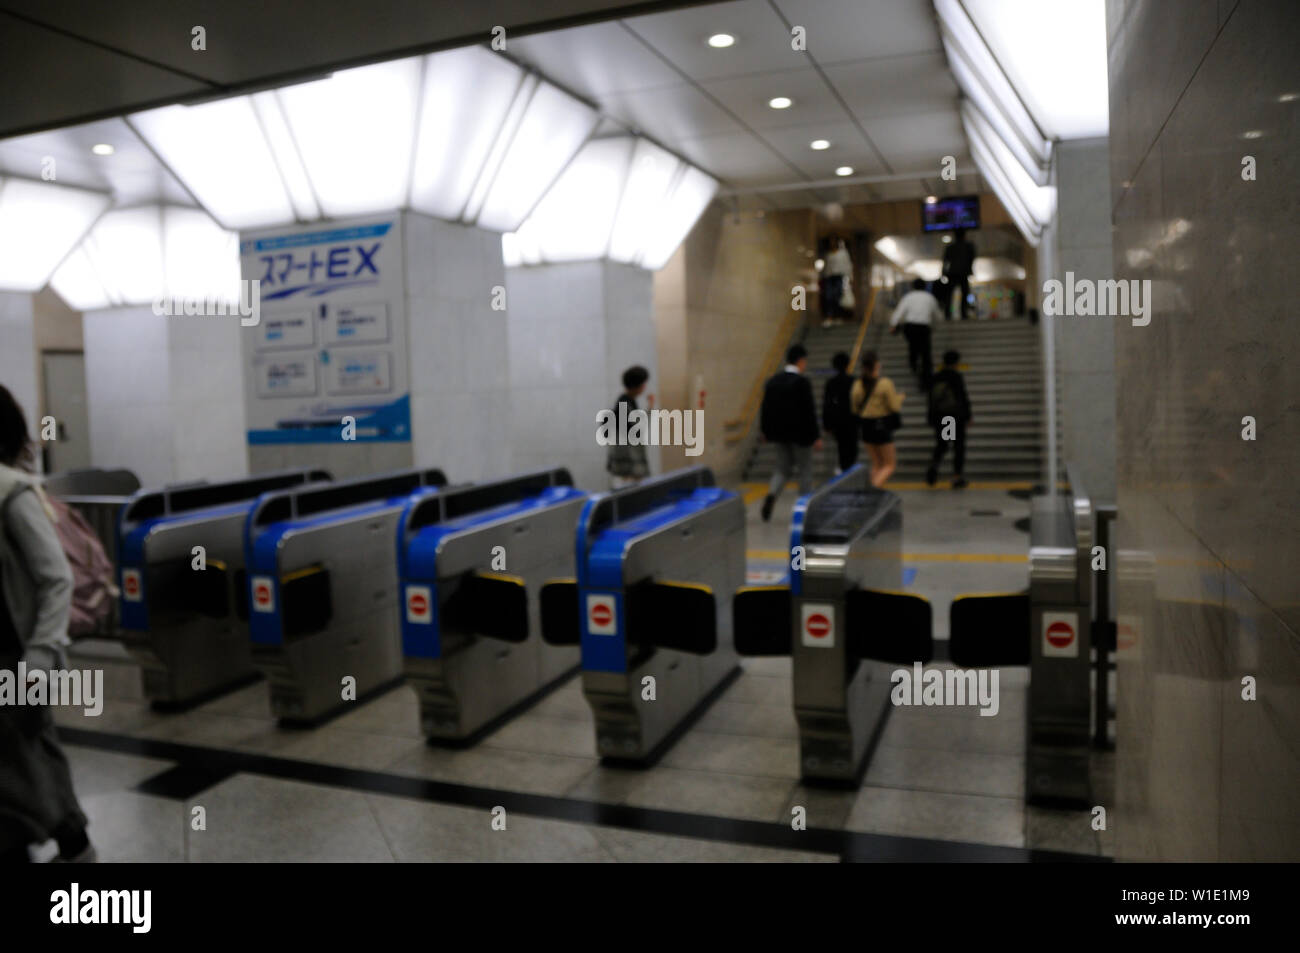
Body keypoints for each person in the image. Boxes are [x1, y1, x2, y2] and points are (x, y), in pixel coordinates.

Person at [0, 384, 94, 863]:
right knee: (26, 758)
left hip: (19, 654)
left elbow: (56, 577)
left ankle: (69, 845)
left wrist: (40, 657)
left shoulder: (11, 491)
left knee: (27, 756)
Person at [759, 345, 821, 521]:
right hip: (801, 435)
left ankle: (771, 495)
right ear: (800, 361)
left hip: (779, 434)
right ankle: (803, 509)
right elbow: (809, 411)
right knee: (805, 471)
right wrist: (815, 435)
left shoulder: (772, 381)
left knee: (781, 469)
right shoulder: (802, 382)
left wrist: (765, 431)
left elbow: (765, 408)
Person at [850, 350, 905, 488]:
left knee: (876, 464)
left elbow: (854, 409)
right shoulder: (885, 383)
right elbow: (894, 407)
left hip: (865, 426)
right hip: (881, 426)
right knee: (889, 465)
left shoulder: (857, 385)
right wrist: (900, 398)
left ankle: (871, 490)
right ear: (877, 365)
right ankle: (871, 492)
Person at [926, 350, 973, 489]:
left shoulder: (936, 377)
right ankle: (957, 477)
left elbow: (930, 399)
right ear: (955, 363)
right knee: (958, 446)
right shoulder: (955, 376)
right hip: (953, 418)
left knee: (943, 444)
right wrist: (968, 416)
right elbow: (961, 397)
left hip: (940, 417)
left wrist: (931, 417)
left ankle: (933, 467)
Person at [889, 276, 941, 389]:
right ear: (925, 286)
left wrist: (893, 324)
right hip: (924, 328)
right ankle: (925, 380)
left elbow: (899, 312)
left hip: (910, 328)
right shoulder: (930, 298)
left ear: (913, 287)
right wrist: (934, 327)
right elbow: (937, 316)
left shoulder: (908, 297)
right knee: (926, 354)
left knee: (913, 347)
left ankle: (913, 364)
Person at [606, 366, 651, 489]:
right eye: (643, 384)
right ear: (637, 385)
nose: (644, 387)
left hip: (628, 466)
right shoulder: (624, 403)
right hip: (626, 468)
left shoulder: (628, 401)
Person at [822, 351, 858, 474]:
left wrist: (827, 424)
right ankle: (850, 474)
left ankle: (843, 472)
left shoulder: (831, 383)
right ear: (848, 364)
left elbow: (827, 404)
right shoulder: (854, 381)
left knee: (841, 450)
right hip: (852, 421)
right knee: (852, 451)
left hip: (837, 423)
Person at [941, 228, 976, 320]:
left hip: (952, 273)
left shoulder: (950, 247)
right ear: (964, 235)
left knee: (950, 294)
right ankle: (963, 313)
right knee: (964, 293)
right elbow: (971, 259)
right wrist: (970, 270)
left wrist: (943, 273)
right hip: (963, 273)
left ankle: (947, 314)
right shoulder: (968, 246)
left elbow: (945, 261)